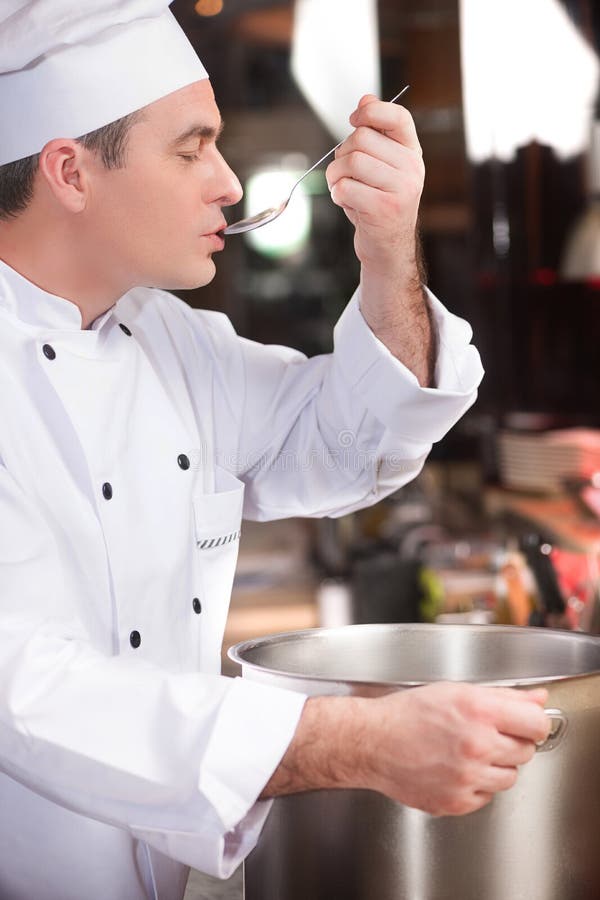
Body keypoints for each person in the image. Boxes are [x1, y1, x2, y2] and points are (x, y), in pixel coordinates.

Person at [0, 3, 550, 899]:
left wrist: (387, 254)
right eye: (191, 149)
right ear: (69, 171)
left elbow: (347, 444)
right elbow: (24, 689)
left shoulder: (171, 341)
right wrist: (354, 742)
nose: (226, 183)